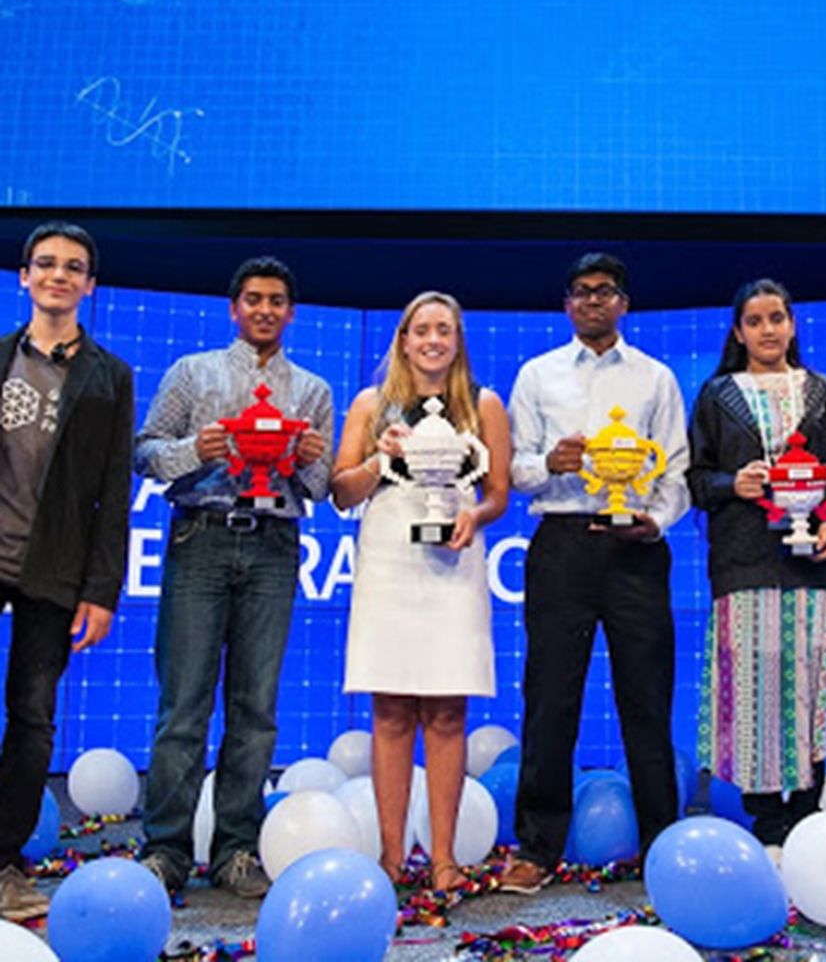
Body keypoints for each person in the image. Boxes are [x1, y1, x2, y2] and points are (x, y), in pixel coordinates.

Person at [135, 256, 333, 898]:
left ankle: (236, 850)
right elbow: (145, 451)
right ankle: (165, 849)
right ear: (234, 308)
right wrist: (199, 450)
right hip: (202, 537)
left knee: (255, 710)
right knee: (184, 705)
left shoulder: (312, 391)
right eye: (253, 299)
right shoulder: (193, 373)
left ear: (291, 313)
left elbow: (323, 487)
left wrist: (305, 463)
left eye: (277, 300)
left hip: (276, 544)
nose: (265, 310)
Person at [499, 252, 689, 893]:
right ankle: (539, 845)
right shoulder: (537, 374)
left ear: (624, 303)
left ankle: (663, 843)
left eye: (604, 291)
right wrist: (550, 460)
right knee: (551, 694)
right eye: (579, 292)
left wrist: (655, 522)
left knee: (647, 697)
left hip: (635, 546)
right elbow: (516, 467)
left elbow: (677, 469)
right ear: (566, 304)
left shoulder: (656, 378)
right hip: (562, 543)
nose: (591, 302)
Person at [331, 291, 510, 891]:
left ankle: (443, 861)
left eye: (445, 330)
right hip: (389, 566)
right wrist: (381, 462)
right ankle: (389, 858)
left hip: (452, 568)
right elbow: (342, 492)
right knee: (389, 713)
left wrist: (475, 518)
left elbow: (498, 495)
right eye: (422, 330)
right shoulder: (369, 405)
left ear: (457, 341)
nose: (433, 340)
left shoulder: (483, 405)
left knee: (446, 712)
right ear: (403, 339)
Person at [688, 279, 826, 846]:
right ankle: (765, 816)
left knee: (810, 681)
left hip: (813, 563)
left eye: (777, 319)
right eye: (755, 321)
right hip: (743, 564)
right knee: (754, 685)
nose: (768, 330)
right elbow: (692, 480)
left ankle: (808, 810)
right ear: (738, 332)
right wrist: (728, 483)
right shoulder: (717, 396)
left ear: (792, 325)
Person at [0, 222, 133, 921]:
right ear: (24, 276)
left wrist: (101, 591)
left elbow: (113, 496)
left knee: (32, 719)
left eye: (72, 267)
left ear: (89, 285)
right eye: (45, 263)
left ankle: (2, 864)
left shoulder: (110, 377)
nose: (58, 275)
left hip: (54, 571)